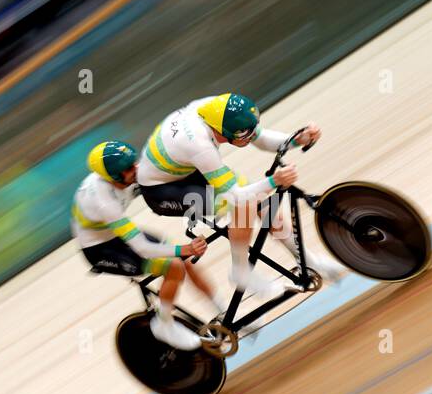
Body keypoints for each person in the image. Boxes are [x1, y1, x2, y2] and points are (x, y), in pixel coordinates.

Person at [135, 92, 346, 294]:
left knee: (261, 201)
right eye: (243, 134)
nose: (248, 137)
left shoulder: (217, 110)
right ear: (222, 130)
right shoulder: (199, 144)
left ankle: (307, 261)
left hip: (184, 170)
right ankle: (240, 271)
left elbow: (260, 138)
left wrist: (296, 140)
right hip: (161, 191)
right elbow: (237, 197)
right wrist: (274, 180)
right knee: (243, 203)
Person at [73, 140, 218, 350]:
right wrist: (185, 249)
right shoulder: (103, 203)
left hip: (117, 235)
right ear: (114, 177)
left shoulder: (124, 177)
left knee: (185, 261)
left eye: (134, 163)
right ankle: (164, 324)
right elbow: (143, 248)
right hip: (100, 250)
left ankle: (221, 310)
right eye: (129, 168)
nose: (136, 169)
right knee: (175, 266)